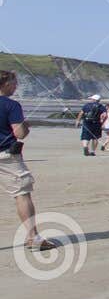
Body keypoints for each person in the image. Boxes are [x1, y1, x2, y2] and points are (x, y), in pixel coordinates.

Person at [0, 70, 56, 252]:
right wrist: (25, 126)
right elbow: (19, 133)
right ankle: (33, 237)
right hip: (6, 156)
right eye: (14, 83)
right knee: (22, 193)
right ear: (5, 84)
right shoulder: (11, 105)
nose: (16, 86)